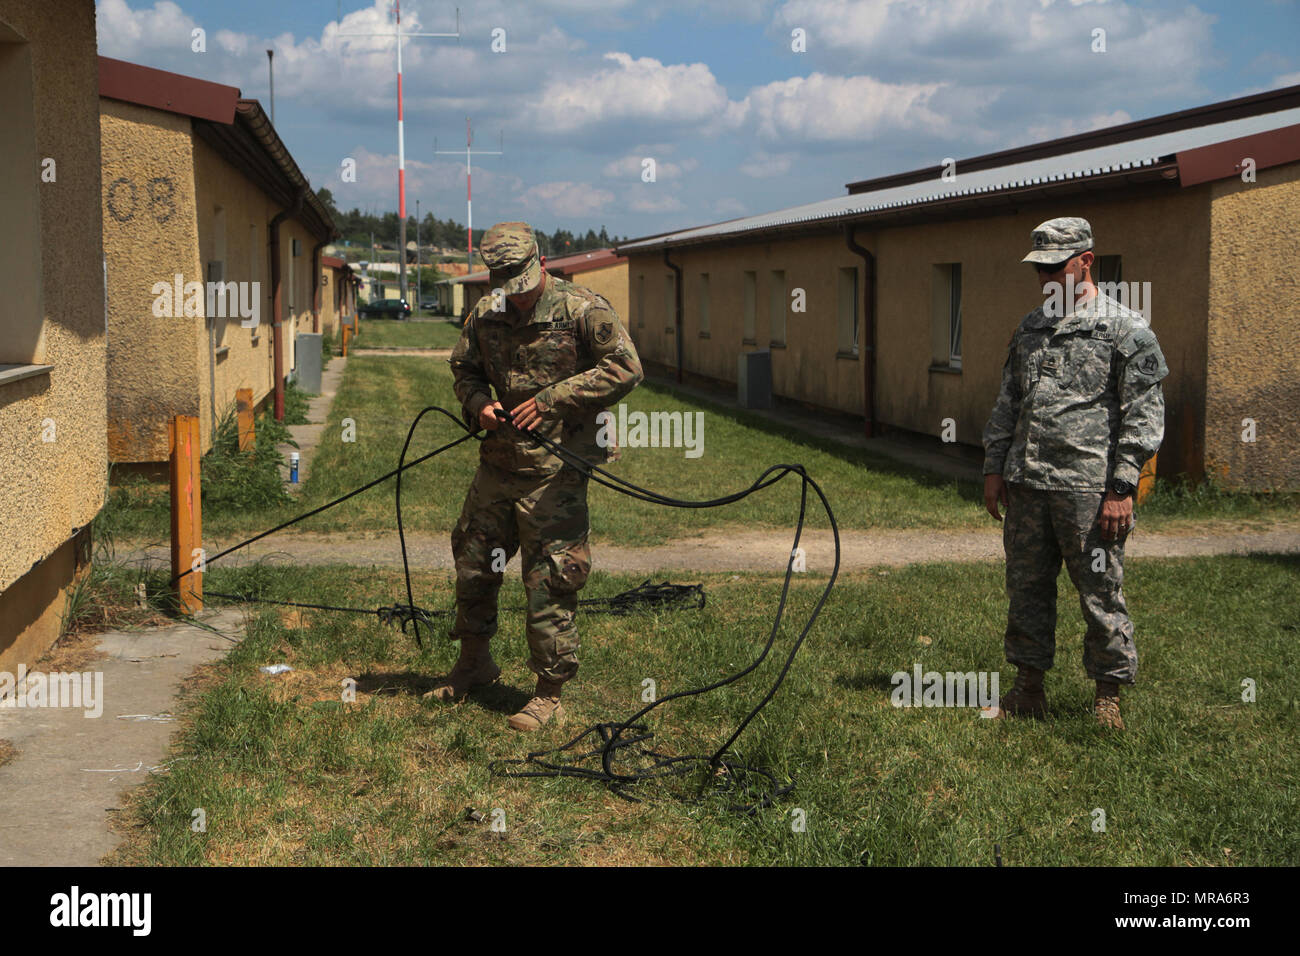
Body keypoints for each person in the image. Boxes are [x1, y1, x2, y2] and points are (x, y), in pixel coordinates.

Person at [429, 221, 643, 731]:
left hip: (556, 470)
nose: (517, 298)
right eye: (506, 286)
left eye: (521, 284)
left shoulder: (583, 310)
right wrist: (479, 404)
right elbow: (465, 369)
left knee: (550, 575)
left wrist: (552, 400)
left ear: (539, 264)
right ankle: (474, 664)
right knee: (475, 559)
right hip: (498, 463)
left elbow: (626, 368)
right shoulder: (487, 312)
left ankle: (549, 692)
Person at [982, 217, 1167, 730]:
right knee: (1026, 588)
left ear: (1086, 261)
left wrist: (1122, 487)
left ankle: (1107, 697)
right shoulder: (1030, 327)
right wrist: (994, 467)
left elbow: (1144, 415)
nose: (1045, 278)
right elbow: (1008, 401)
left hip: (1090, 489)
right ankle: (1027, 688)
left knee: (1100, 591)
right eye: (1038, 268)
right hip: (1027, 483)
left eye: (1055, 267)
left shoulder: (1125, 329)